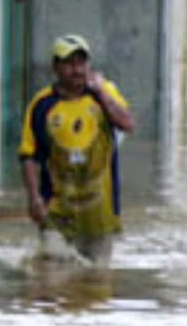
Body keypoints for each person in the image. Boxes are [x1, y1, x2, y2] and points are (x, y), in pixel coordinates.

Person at [19, 34, 136, 267]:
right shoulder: (42, 105)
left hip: (99, 215)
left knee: (95, 283)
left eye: (81, 63)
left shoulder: (104, 94)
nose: (77, 70)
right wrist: (34, 199)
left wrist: (101, 92)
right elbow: (28, 155)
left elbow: (127, 124)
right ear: (55, 66)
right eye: (69, 63)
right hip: (57, 213)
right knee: (54, 271)